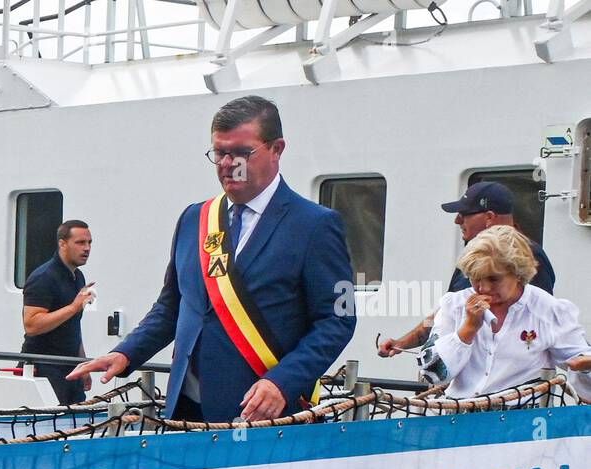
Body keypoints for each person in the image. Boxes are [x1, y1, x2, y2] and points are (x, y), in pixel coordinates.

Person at [68, 96, 355, 423]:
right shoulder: (194, 218)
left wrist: (283, 382)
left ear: (277, 149)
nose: (228, 163)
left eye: (242, 152)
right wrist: (125, 352)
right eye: (220, 152)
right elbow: (172, 305)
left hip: (263, 412)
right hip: (184, 409)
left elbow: (337, 321)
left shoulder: (316, 225)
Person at [378, 181, 556, 357]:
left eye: (464, 214)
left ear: (489, 217)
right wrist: (403, 342)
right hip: (454, 366)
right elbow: (446, 312)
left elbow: (538, 316)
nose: (457, 221)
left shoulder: (528, 256)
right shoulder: (473, 256)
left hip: (500, 375)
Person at [419, 225, 591, 398]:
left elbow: (584, 375)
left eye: (494, 279)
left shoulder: (549, 309)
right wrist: (467, 330)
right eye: (475, 278)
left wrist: (585, 367)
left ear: (518, 273)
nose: (483, 287)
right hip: (460, 417)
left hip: (523, 419)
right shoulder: (454, 304)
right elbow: (432, 374)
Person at [20, 220, 96, 404]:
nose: (86, 248)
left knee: (77, 425)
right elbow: (31, 325)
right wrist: (73, 307)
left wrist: (83, 364)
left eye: (89, 243)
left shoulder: (78, 276)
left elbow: (73, 325)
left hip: (70, 368)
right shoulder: (43, 277)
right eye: (80, 243)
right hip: (44, 369)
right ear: (62, 243)